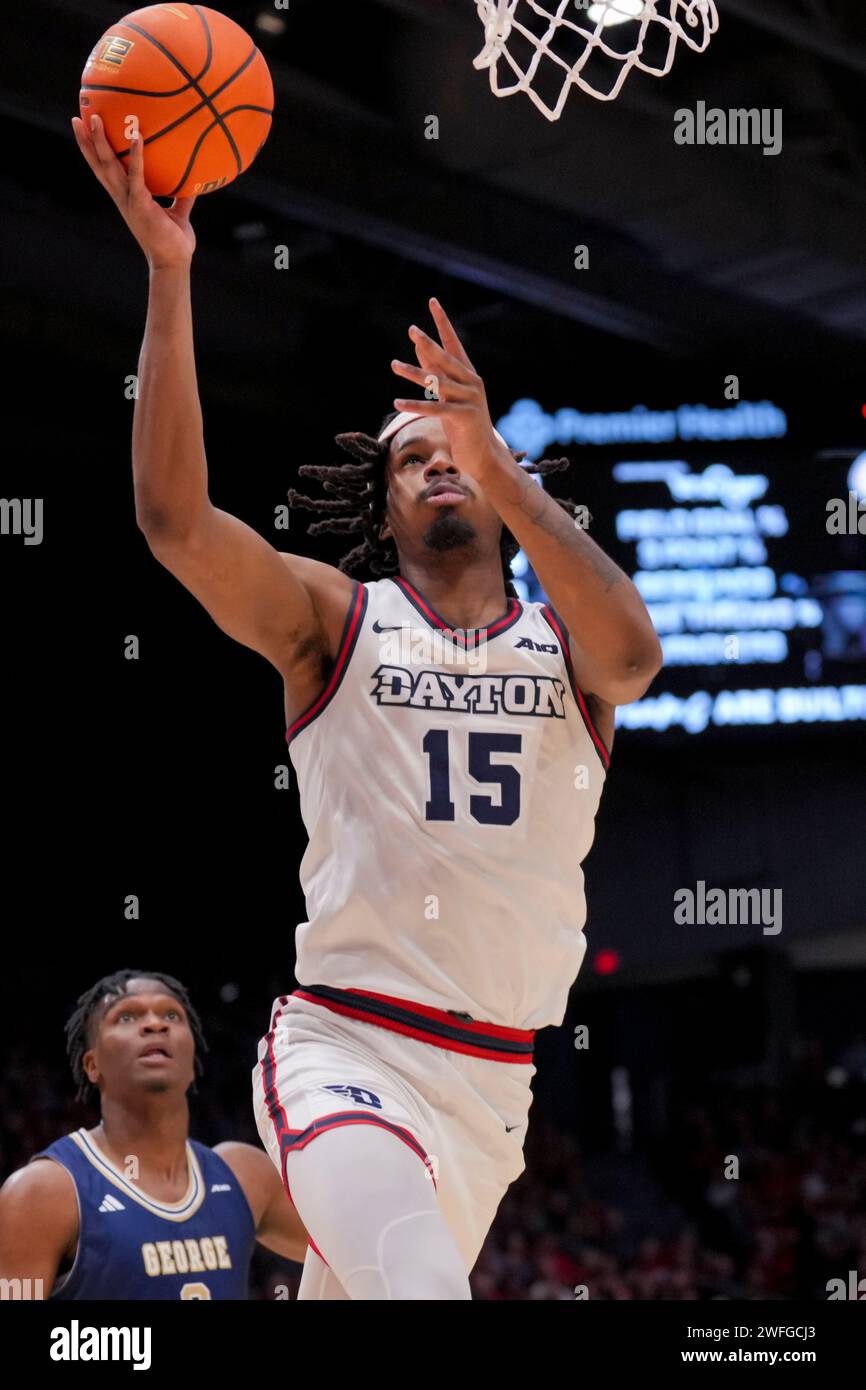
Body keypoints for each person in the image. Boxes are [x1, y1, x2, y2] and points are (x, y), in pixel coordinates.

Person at [68, 112, 663, 1300]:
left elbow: (637, 657)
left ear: (499, 484)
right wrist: (171, 276)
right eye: (411, 455)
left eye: (461, 449)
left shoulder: (565, 644)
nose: (440, 461)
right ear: (383, 502)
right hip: (347, 1049)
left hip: (495, 1084)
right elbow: (174, 522)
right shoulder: (334, 621)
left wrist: (501, 461)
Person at [0, 971, 307, 1299]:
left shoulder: (245, 1175)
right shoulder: (42, 1192)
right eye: (126, 1016)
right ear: (92, 1064)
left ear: (191, 1061)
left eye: (171, 1015)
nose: (155, 1024)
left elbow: (355, 1251)